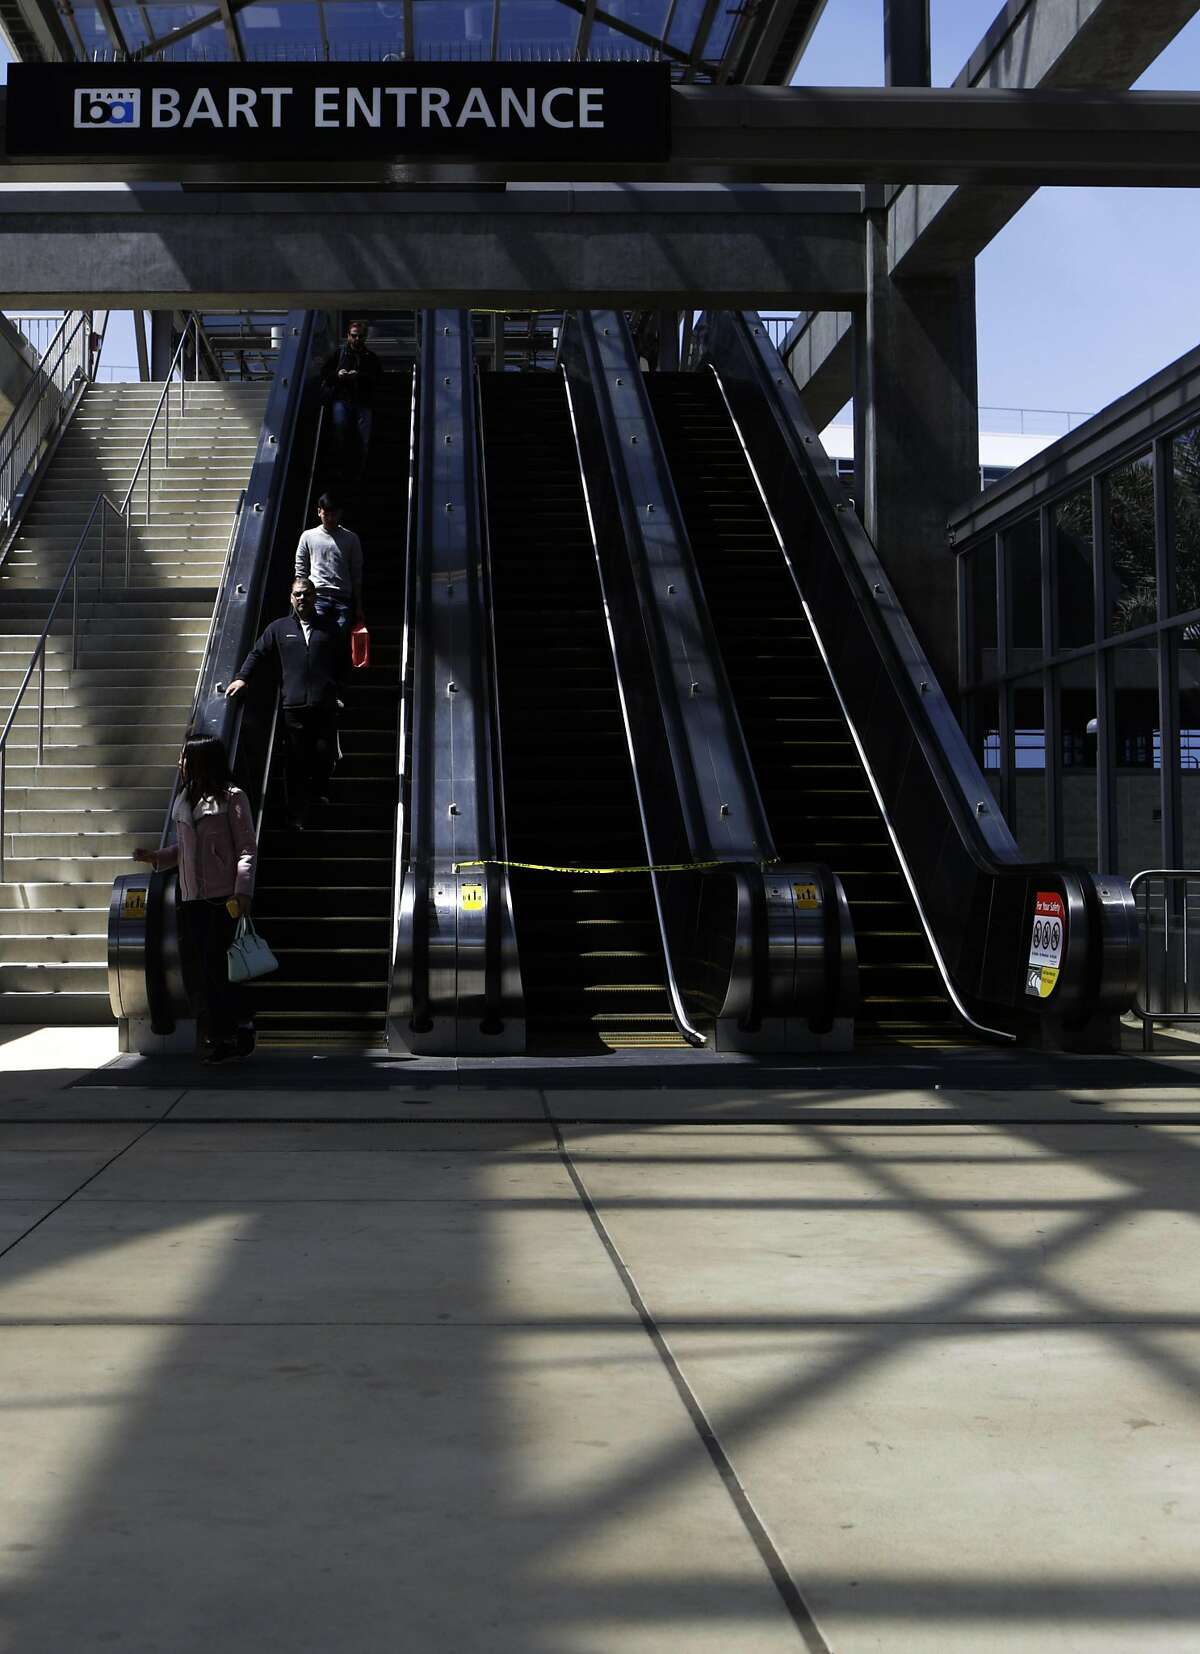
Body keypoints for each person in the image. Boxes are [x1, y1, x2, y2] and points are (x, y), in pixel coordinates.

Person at [133, 735, 256, 1065]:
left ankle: (233, 1029)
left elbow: (246, 847)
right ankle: (220, 1033)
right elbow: (184, 851)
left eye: (185, 757)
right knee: (200, 970)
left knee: (221, 968)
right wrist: (157, 857)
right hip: (191, 899)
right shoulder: (185, 800)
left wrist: (242, 891)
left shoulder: (233, 798)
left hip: (223, 898)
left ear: (201, 761)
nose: (180, 763)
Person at [225, 577, 347, 829]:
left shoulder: (330, 628)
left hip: (324, 704)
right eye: (297, 595)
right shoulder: (279, 628)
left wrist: (340, 691)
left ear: (315, 597)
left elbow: (342, 661)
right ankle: (297, 813)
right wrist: (241, 678)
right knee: (295, 762)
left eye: (307, 594)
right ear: (291, 599)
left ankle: (319, 792)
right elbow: (257, 653)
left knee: (324, 753)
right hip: (293, 706)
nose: (302, 598)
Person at [319, 318, 382, 483]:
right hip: (342, 399)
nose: (357, 339)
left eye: (360, 336)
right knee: (340, 431)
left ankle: (358, 471)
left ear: (365, 337)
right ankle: (342, 469)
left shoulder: (371, 357)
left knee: (363, 438)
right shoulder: (339, 354)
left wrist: (359, 376)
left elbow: (378, 378)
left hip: (363, 402)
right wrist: (338, 375)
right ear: (348, 336)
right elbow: (324, 372)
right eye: (354, 336)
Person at [294, 491, 364, 632]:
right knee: (317, 639)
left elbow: (357, 573)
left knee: (338, 641)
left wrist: (359, 606)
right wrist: (301, 596)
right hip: (317, 597)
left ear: (340, 513)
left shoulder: (351, 538)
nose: (330, 519)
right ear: (319, 512)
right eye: (326, 514)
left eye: (334, 514)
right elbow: (300, 568)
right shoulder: (308, 536)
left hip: (343, 598)